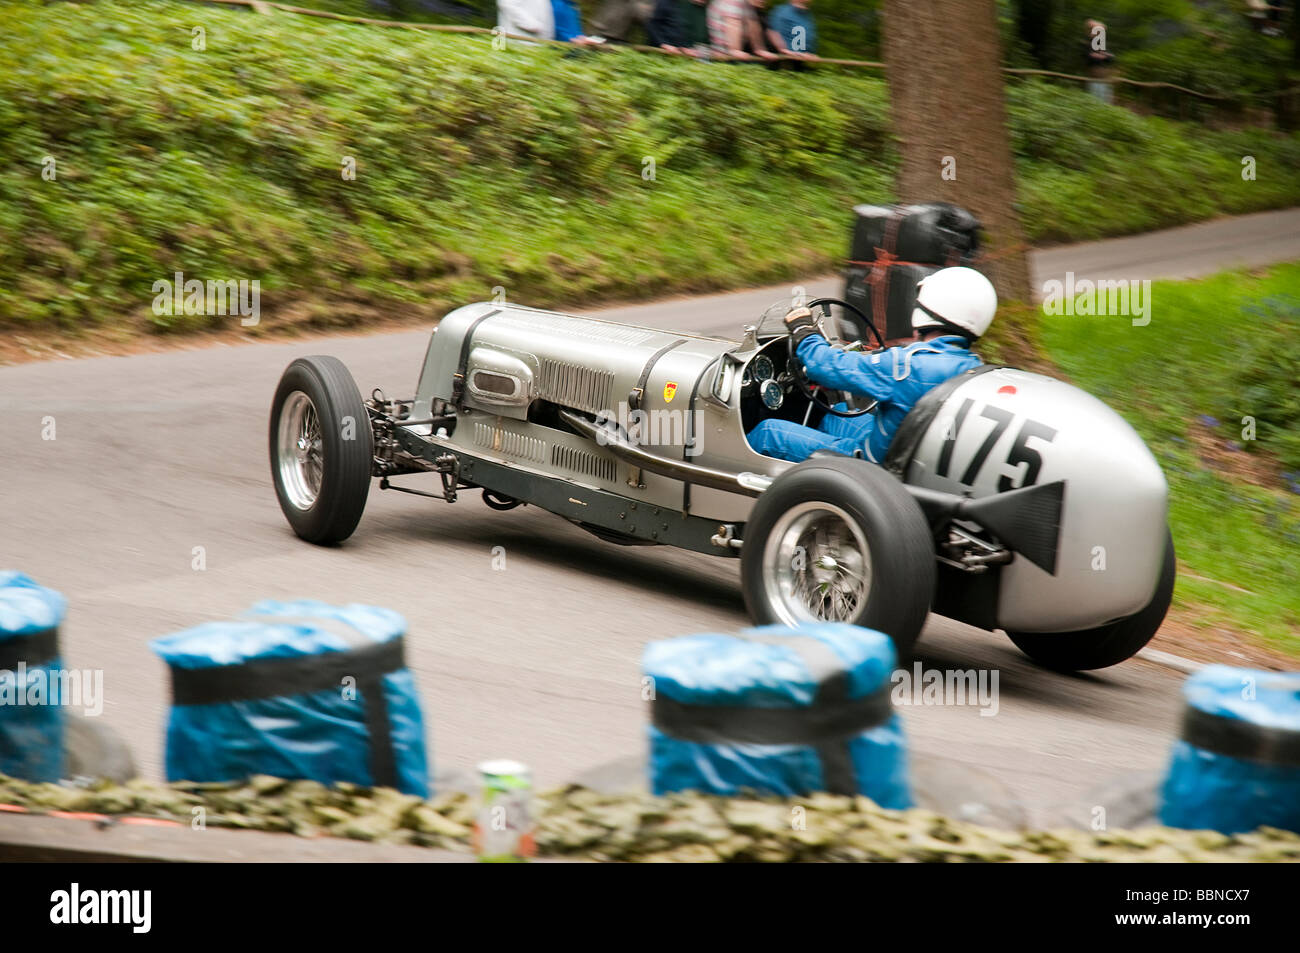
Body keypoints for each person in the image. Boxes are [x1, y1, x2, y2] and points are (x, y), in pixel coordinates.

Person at [747, 267, 996, 464]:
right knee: (837, 412)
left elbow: (822, 366)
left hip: (873, 466)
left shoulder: (908, 367)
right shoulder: (972, 366)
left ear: (929, 308)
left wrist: (803, 330)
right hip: (910, 454)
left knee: (768, 431)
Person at [708, 0, 776, 59]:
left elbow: (754, 27)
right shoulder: (733, 2)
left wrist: (760, 49)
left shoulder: (748, 5)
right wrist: (734, 50)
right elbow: (733, 25)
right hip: (722, 52)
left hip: (737, 51)